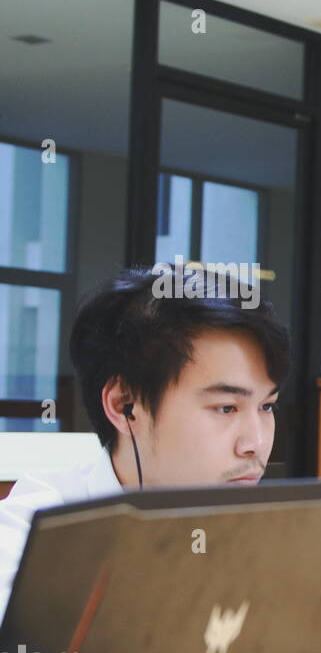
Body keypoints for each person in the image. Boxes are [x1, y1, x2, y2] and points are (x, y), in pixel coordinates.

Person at [0, 265, 290, 621]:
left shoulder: (265, 527)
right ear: (125, 405)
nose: (256, 443)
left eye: (266, 406)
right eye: (226, 407)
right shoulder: (36, 533)